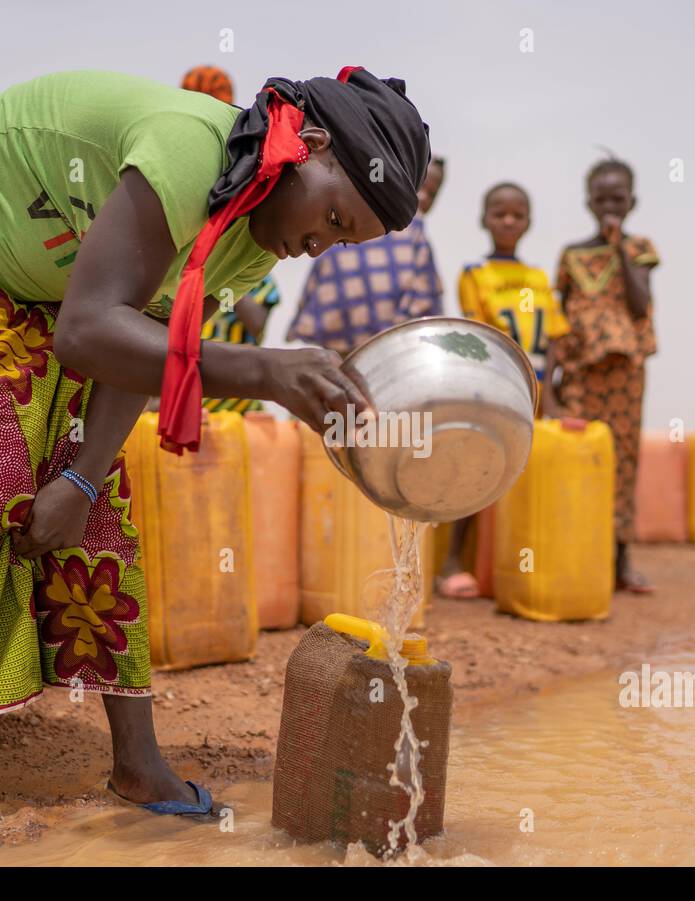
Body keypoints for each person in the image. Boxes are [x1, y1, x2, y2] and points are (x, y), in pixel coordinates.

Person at [0, 67, 430, 824]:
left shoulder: (254, 238)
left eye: (342, 244)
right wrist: (260, 369)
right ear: (310, 145)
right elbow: (89, 330)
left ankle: (136, 762)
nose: (317, 247)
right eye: (334, 221)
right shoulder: (189, 152)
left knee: (98, 499)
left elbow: (141, 351)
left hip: (46, 275)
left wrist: (77, 481)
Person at [436, 182, 568, 598]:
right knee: (478, 468)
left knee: (530, 477)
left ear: (529, 222)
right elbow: (481, 334)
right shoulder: (475, 273)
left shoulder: (538, 277)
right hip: (496, 382)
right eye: (500, 213)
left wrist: (555, 395)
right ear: (484, 220)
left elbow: (558, 338)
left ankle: (517, 566)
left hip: (540, 388)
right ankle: (453, 563)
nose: (509, 221)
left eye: (518, 214)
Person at [550, 156, 660, 593]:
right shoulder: (572, 254)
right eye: (601, 199)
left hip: (624, 374)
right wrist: (550, 384)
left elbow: (639, 304)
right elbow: (558, 322)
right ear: (588, 202)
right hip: (580, 373)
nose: (609, 206)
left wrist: (619, 247)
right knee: (577, 458)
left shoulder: (640, 249)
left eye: (618, 198)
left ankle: (620, 560)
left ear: (632, 201)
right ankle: (578, 555)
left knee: (622, 461)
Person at [178, 64, 283, 414]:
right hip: (188, 404)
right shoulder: (180, 248)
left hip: (239, 411)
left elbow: (258, 325)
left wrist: (217, 271)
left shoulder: (251, 249)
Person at [287, 156, 444, 355]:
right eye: (418, 188)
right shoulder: (355, 219)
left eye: (431, 193)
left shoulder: (415, 231)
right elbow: (327, 269)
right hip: (340, 324)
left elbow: (423, 281)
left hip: (391, 335)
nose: (422, 198)